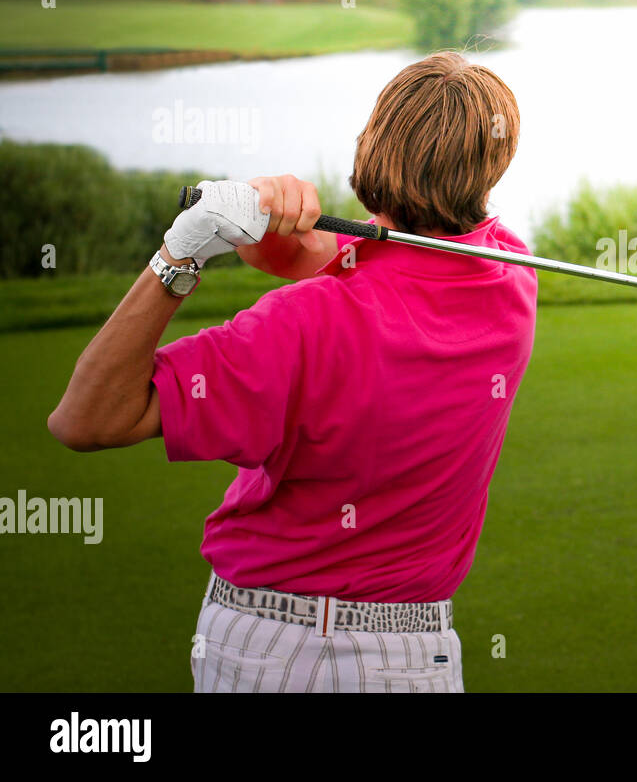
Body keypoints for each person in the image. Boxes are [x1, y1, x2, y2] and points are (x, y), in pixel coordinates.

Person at [47, 51, 537, 693]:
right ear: (493, 165)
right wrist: (262, 215)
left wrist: (181, 253)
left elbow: (87, 418)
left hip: (272, 649)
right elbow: (333, 254)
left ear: (372, 144)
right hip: (419, 656)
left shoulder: (297, 327)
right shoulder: (510, 280)